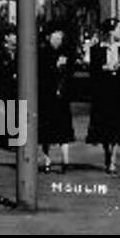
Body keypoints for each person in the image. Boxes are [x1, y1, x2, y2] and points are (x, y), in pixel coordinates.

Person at [87, 18, 120, 174]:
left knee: (116, 124)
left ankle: (112, 159)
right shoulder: (97, 49)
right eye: (119, 29)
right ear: (111, 32)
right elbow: (92, 70)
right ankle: (107, 153)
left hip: (118, 89)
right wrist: (104, 67)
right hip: (103, 90)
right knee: (104, 125)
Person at [37, 25, 74, 173]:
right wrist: (55, 65)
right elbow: (41, 73)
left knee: (63, 129)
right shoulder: (42, 52)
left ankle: (65, 160)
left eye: (60, 38)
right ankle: (47, 159)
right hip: (47, 95)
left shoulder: (66, 52)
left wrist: (65, 66)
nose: (58, 41)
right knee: (46, 131)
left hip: (62, 96)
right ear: (48, 38)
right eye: (55, 37)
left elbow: (71, 72)